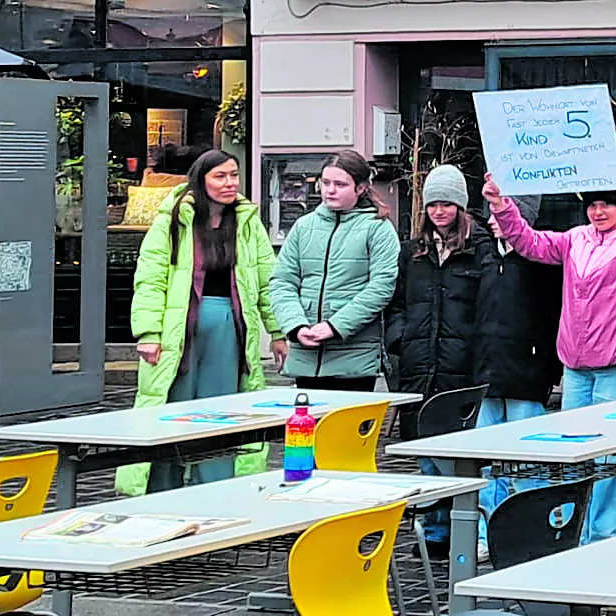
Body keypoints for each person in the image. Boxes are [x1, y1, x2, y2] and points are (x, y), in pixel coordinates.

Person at [485, 169, 616, 543]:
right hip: (576, 366)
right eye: (593, 205)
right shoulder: (574, 239)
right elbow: (527, 242)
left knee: (613, 456)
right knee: (575, 454)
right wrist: (501, 206)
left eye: (606, 205)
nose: (598, 212)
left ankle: (605, 535)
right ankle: (577, 535)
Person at [122, 148, 280, 495]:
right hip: (177, 328)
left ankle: (218, 489)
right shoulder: (173, 218)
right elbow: (150, 276)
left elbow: (268, 278)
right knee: (172, 407)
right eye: (220, 176)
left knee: (221, 409)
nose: (229, 183)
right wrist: (149, 332)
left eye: (234, 175)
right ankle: (163, 492)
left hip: (228, 324)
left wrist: (278, 330)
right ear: (201, 179)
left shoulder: (246, 221)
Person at [386, 164, 497, 551]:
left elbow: (488, 308)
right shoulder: (413, 251)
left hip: (461, 363)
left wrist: (477, 354)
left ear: (460, 206)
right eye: (433, 204)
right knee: (425, 453)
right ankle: (433, 532)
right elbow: (398, 302)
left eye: (447, 204)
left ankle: (458, 529)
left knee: (456, 452)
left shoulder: (480, 248)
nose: (439, 211)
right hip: (419, 361)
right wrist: (399, 339)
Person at [270, 149, 400, 392]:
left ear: (360, 188)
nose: (330, 190)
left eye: (340, 184)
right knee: (308, 428)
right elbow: (282, 282)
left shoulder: (378, 228)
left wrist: (335, 326)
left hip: (353, 357)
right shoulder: (303, 226)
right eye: (326, 182)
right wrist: (296, 326)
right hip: (306, 354)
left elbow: (381, 288)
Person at [475, 192, 565, 537]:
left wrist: (549, 368)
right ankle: (487, 531)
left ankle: (530, 526)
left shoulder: (542, 263)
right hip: (486, 372)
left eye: (503, 213)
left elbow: (554, 315)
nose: (494, 221)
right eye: (493, 214)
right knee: (485, 458)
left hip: (527, 373)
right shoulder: (484, 257)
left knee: (528, 456)